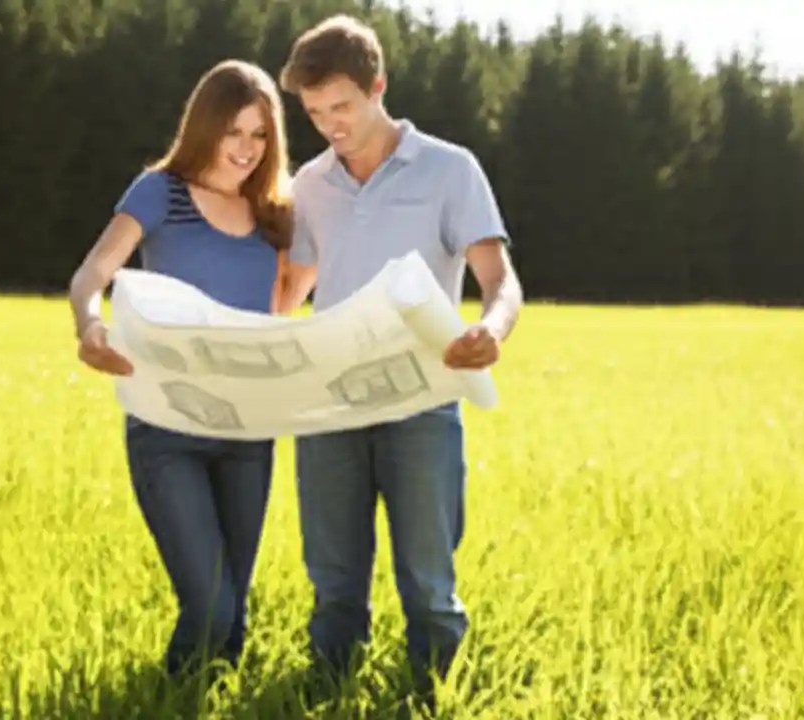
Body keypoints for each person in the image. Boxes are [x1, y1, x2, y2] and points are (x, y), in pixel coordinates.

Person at [275, 14, 525, 699]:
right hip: (328, 407)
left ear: (378, 86)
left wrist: (491, 330)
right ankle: (324, 698)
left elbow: (500, 281)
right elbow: (288, 292)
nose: (331, 124)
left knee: (429, 585)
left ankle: (434, 700)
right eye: (316, 112)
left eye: (343, 107)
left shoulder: (450, 169)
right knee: (333, 587)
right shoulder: (311, 185)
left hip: (421, 403)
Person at [67, 59, 294, 677]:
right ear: (205, 127)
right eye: (234, 132)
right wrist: (91, 326)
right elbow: (93, 274)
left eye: (260, 134)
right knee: (212, 608)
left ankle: (191, 699)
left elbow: (284, 301)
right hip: (168, 428)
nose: (247, 149)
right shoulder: (159, 192)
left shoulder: (273, 212)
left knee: (231, 622)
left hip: (249, 431)